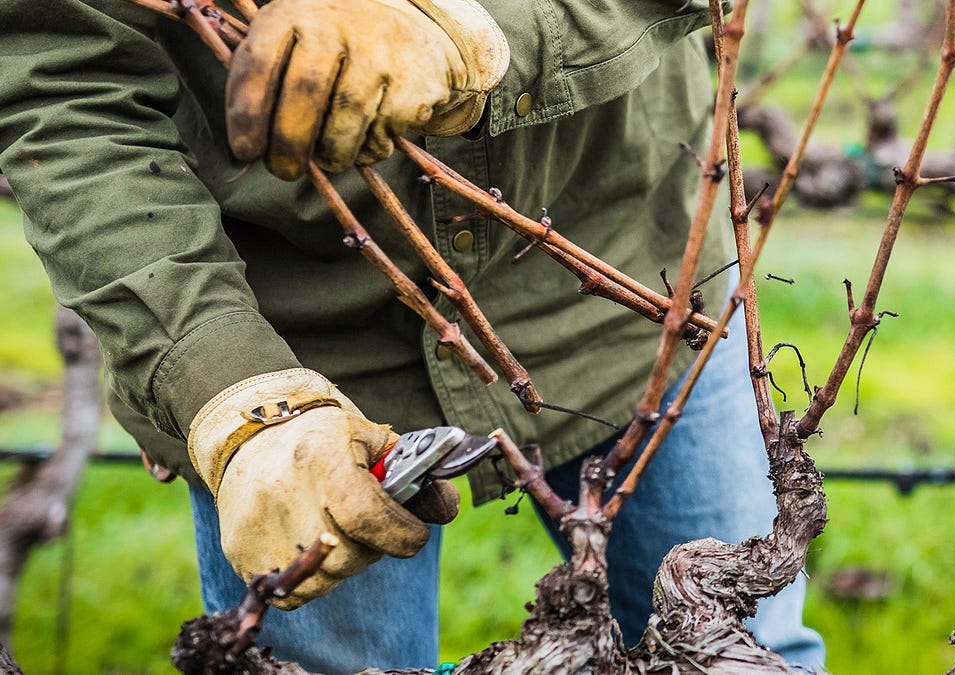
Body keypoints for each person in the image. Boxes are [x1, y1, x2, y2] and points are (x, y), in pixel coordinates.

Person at [0, 0, 825, 672]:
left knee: (747, 654)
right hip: (298, 343)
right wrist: (223, 381)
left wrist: (470, 30)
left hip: (633, 276)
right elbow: (67, 80)